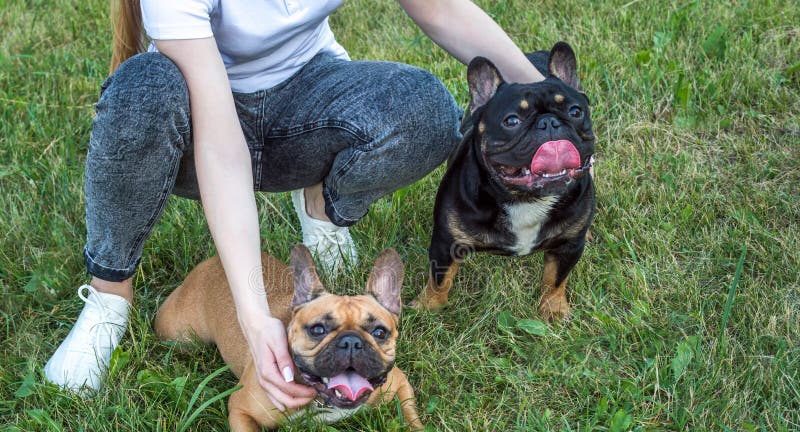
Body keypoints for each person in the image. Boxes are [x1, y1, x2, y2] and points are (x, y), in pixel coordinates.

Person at [44, 0, 545, 411]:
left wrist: (546, 97)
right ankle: (110, 297)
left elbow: (440, 8)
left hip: (307, 97)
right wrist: (255, 315)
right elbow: (221, 148)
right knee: (141, 92)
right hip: (197, 119)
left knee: (426, 111)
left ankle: (322, 207)